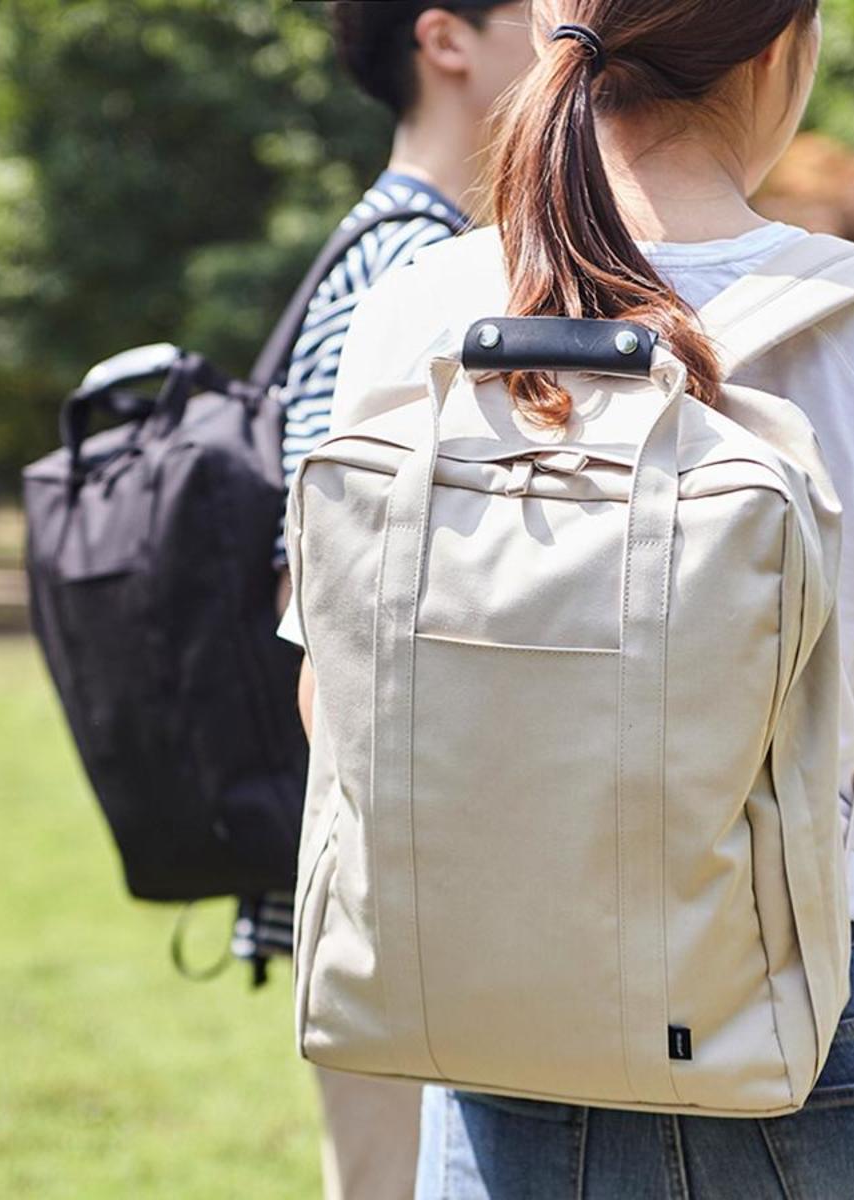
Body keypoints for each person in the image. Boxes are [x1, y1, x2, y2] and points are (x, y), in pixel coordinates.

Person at [279, 0, 854, 1195]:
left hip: (494, 1013)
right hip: (827, 1024)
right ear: (782, 51)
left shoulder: (417, 310)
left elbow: (331, 699)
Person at [231, 4, 534, 1198]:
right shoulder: (404, 262)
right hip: (386, 860)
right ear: (447, 39)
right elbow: (322, 582)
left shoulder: (428, 245)